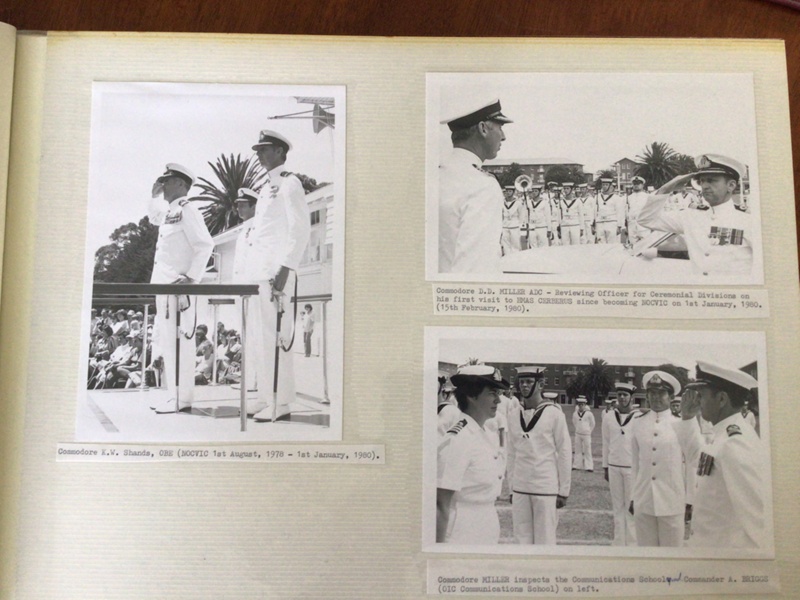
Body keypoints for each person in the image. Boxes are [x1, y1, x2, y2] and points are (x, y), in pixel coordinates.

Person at [248, 130, 311, 422]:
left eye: (264, 149)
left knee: (277, 338)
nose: (258, 154)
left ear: (279, 152)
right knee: (262, 339)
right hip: (261, 273)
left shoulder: (290, 183)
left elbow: (300, 229)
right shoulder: (265, 187)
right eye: (258, 150)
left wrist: (286, 267)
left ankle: (282, 401)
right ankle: (265, 397)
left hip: (278, 274)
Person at [674, 361, 768, 548]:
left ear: (722, 399)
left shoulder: (735, 443)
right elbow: (699, 458)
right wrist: (687, 418)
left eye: (702, 395)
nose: (698, 401)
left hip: (724, 556)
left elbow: (759, 519)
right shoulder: (724, 434)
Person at [147, 163, 214, 413]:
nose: (163, 184)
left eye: (167, 181)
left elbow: (205, 244)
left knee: (181, 341)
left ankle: (182, 399)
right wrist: (153, 197)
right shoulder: (169, 212)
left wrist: (191, 278)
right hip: (164, 286)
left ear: (181, 184)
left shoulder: (188, 209)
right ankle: (173, 395)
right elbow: (153, 217)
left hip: (179, 287)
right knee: (167, 341)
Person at [638, 154, 753, 278]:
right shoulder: (690, 217)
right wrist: (667, 188)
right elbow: (647, 220)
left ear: (731, 185)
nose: (704, 186)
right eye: (701, 181)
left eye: (711, 180)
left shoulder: (748, 221)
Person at [436, 364, 509, 544]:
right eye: (492, 393)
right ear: (471, 395)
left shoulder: (485, 434)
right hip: (462, 530)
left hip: (486, 523)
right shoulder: (458, 439)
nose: (498, 401)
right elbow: (440, 504)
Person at [438, 98, 513, 273]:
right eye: (500, 126)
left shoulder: (436, 176)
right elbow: (475, 268)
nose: (503, 136)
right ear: (483, 129)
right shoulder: (481, 186)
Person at [630, 370, 697, 547]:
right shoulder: (637, 423)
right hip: (644, 500)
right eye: (652, 393)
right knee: (646, 557)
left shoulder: (681, 424)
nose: (656, 397)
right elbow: (634, 464)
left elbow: (691, 464)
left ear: (670, 396)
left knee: (672, 558)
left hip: (672, 501)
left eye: (661, 393)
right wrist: (633, 496)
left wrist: (690, 500)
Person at [506, 366, 572, 545]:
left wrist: (563, 490)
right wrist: (511, 486)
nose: (524, 386)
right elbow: (511, 453)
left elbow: (565, 451)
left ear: (540, 384)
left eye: (529, 382)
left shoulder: (554, 414)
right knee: (521, 540)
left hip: (545, 488)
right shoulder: (513, 414)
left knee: (545, 540)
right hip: (520, 487)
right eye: (521, 382)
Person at [602, 381, 640, 546]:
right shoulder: (609, 416)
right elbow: (606, 442)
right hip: (614, 466)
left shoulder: (638, 418)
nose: (622, 398)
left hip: (631, 468)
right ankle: (619, 542)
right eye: (620, 395)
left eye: (625, 395)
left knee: (631, 508)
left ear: (631, 398)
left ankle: (631, 544)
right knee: (617, 507)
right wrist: (605, 466)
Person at [595, 177, 625, 244]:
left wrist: (619, 226)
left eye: (606, 185)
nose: (604, 187)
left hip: (611, 223)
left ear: (610, 186)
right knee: (601, 244)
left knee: (612, 244)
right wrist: (593, 224)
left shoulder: (616, 198)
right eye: (603, 185)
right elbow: (595, 211)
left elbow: (619, 212)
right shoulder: (597, 197)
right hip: (600, 223)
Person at [525, 183, 552, 249]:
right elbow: (526, 215)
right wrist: (527, 228)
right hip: (532, 227)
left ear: (540, 192)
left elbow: (548, 216)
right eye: (533, 191)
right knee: (533, 247)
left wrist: (549, 229)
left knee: (543, 247)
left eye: (536, 191)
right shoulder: (528, 202)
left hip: (542, 227)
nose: (534, 193)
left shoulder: (545, 203)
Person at [571, 396, 595, 471]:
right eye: (579, 404)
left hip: (586, 434)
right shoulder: (575, 414)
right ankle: (577, 465)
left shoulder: (589, 414)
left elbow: (593, 424)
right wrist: (578, 429)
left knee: (587, 450)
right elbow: (574, 422)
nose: (581, 406)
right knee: (577, 450)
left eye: (582, 404)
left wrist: (588, 431)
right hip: (578, 434)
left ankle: (589, 466)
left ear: (585, 405)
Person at [626, 175, 650, 243]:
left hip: (643, 223)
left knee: (645, 243)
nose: (636, 185)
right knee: (632, 244)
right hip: (632, 224)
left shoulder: (647, 196)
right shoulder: (629, 197)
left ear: (642, 185)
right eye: (634, 184)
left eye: (638, 184)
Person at [501, 186, 523, 255]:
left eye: (510, 191)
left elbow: (521, 215)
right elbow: (501, 214)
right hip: (505, 226)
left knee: (515, 245)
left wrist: (520, 225)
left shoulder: (518, 203)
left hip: (515, 226)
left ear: (513, 192)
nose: (508, 193)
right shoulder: (502, 202)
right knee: (505, 245)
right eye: (507, 191)